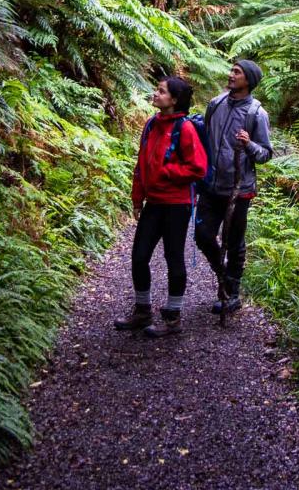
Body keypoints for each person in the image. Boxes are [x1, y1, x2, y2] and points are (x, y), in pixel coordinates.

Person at [114, 76, 208, 338]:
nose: (155, 94)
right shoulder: (152, 124)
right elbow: (141, 163)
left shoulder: (184, 128)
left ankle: (173, 317)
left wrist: (167, 172)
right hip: (154, 202)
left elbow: (198, 167)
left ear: (174, 100)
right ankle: (143, 310)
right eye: (157, 89)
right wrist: (137, 197)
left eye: (161, 91)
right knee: (139, 256)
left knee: (173, 257)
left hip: (177, 204)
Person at [194, 59, 273, 314]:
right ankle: (224, 276)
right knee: (203, 235)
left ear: (248, 80)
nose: (231, 75)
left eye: (236, 73)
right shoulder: (215, 104)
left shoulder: (256, 114)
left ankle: (233, 293)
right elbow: (207, 139)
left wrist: (249, 145)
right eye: (232, 71)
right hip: (210, 185)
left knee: (235, 240)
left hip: (239, 190)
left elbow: (265, 154)